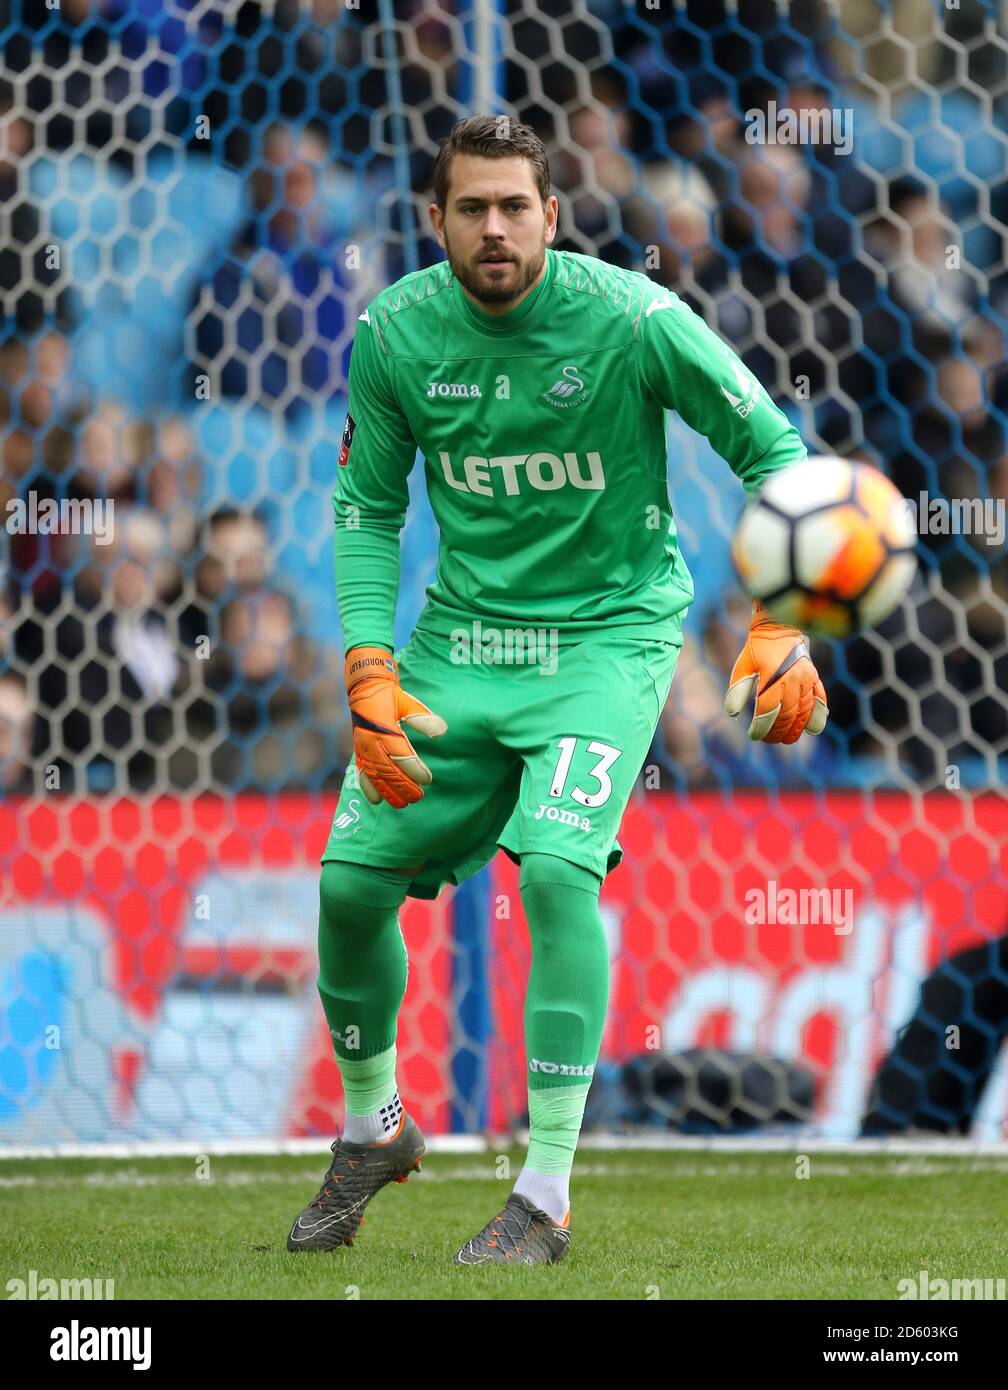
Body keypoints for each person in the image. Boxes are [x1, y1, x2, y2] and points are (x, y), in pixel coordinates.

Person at [286, 116, 829, 1266]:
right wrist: (366, 660)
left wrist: (785, 618)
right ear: (435, 220)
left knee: (555, 872)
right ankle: (373, 1127)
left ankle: (543, 1192)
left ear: (550, 213)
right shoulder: (393, 333)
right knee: (344, 886)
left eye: (515, 206)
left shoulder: (633, 319)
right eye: (471, 207)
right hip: (461, 646)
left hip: (607, 640)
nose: (495, 228)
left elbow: (781, 459)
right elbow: (369, 509)